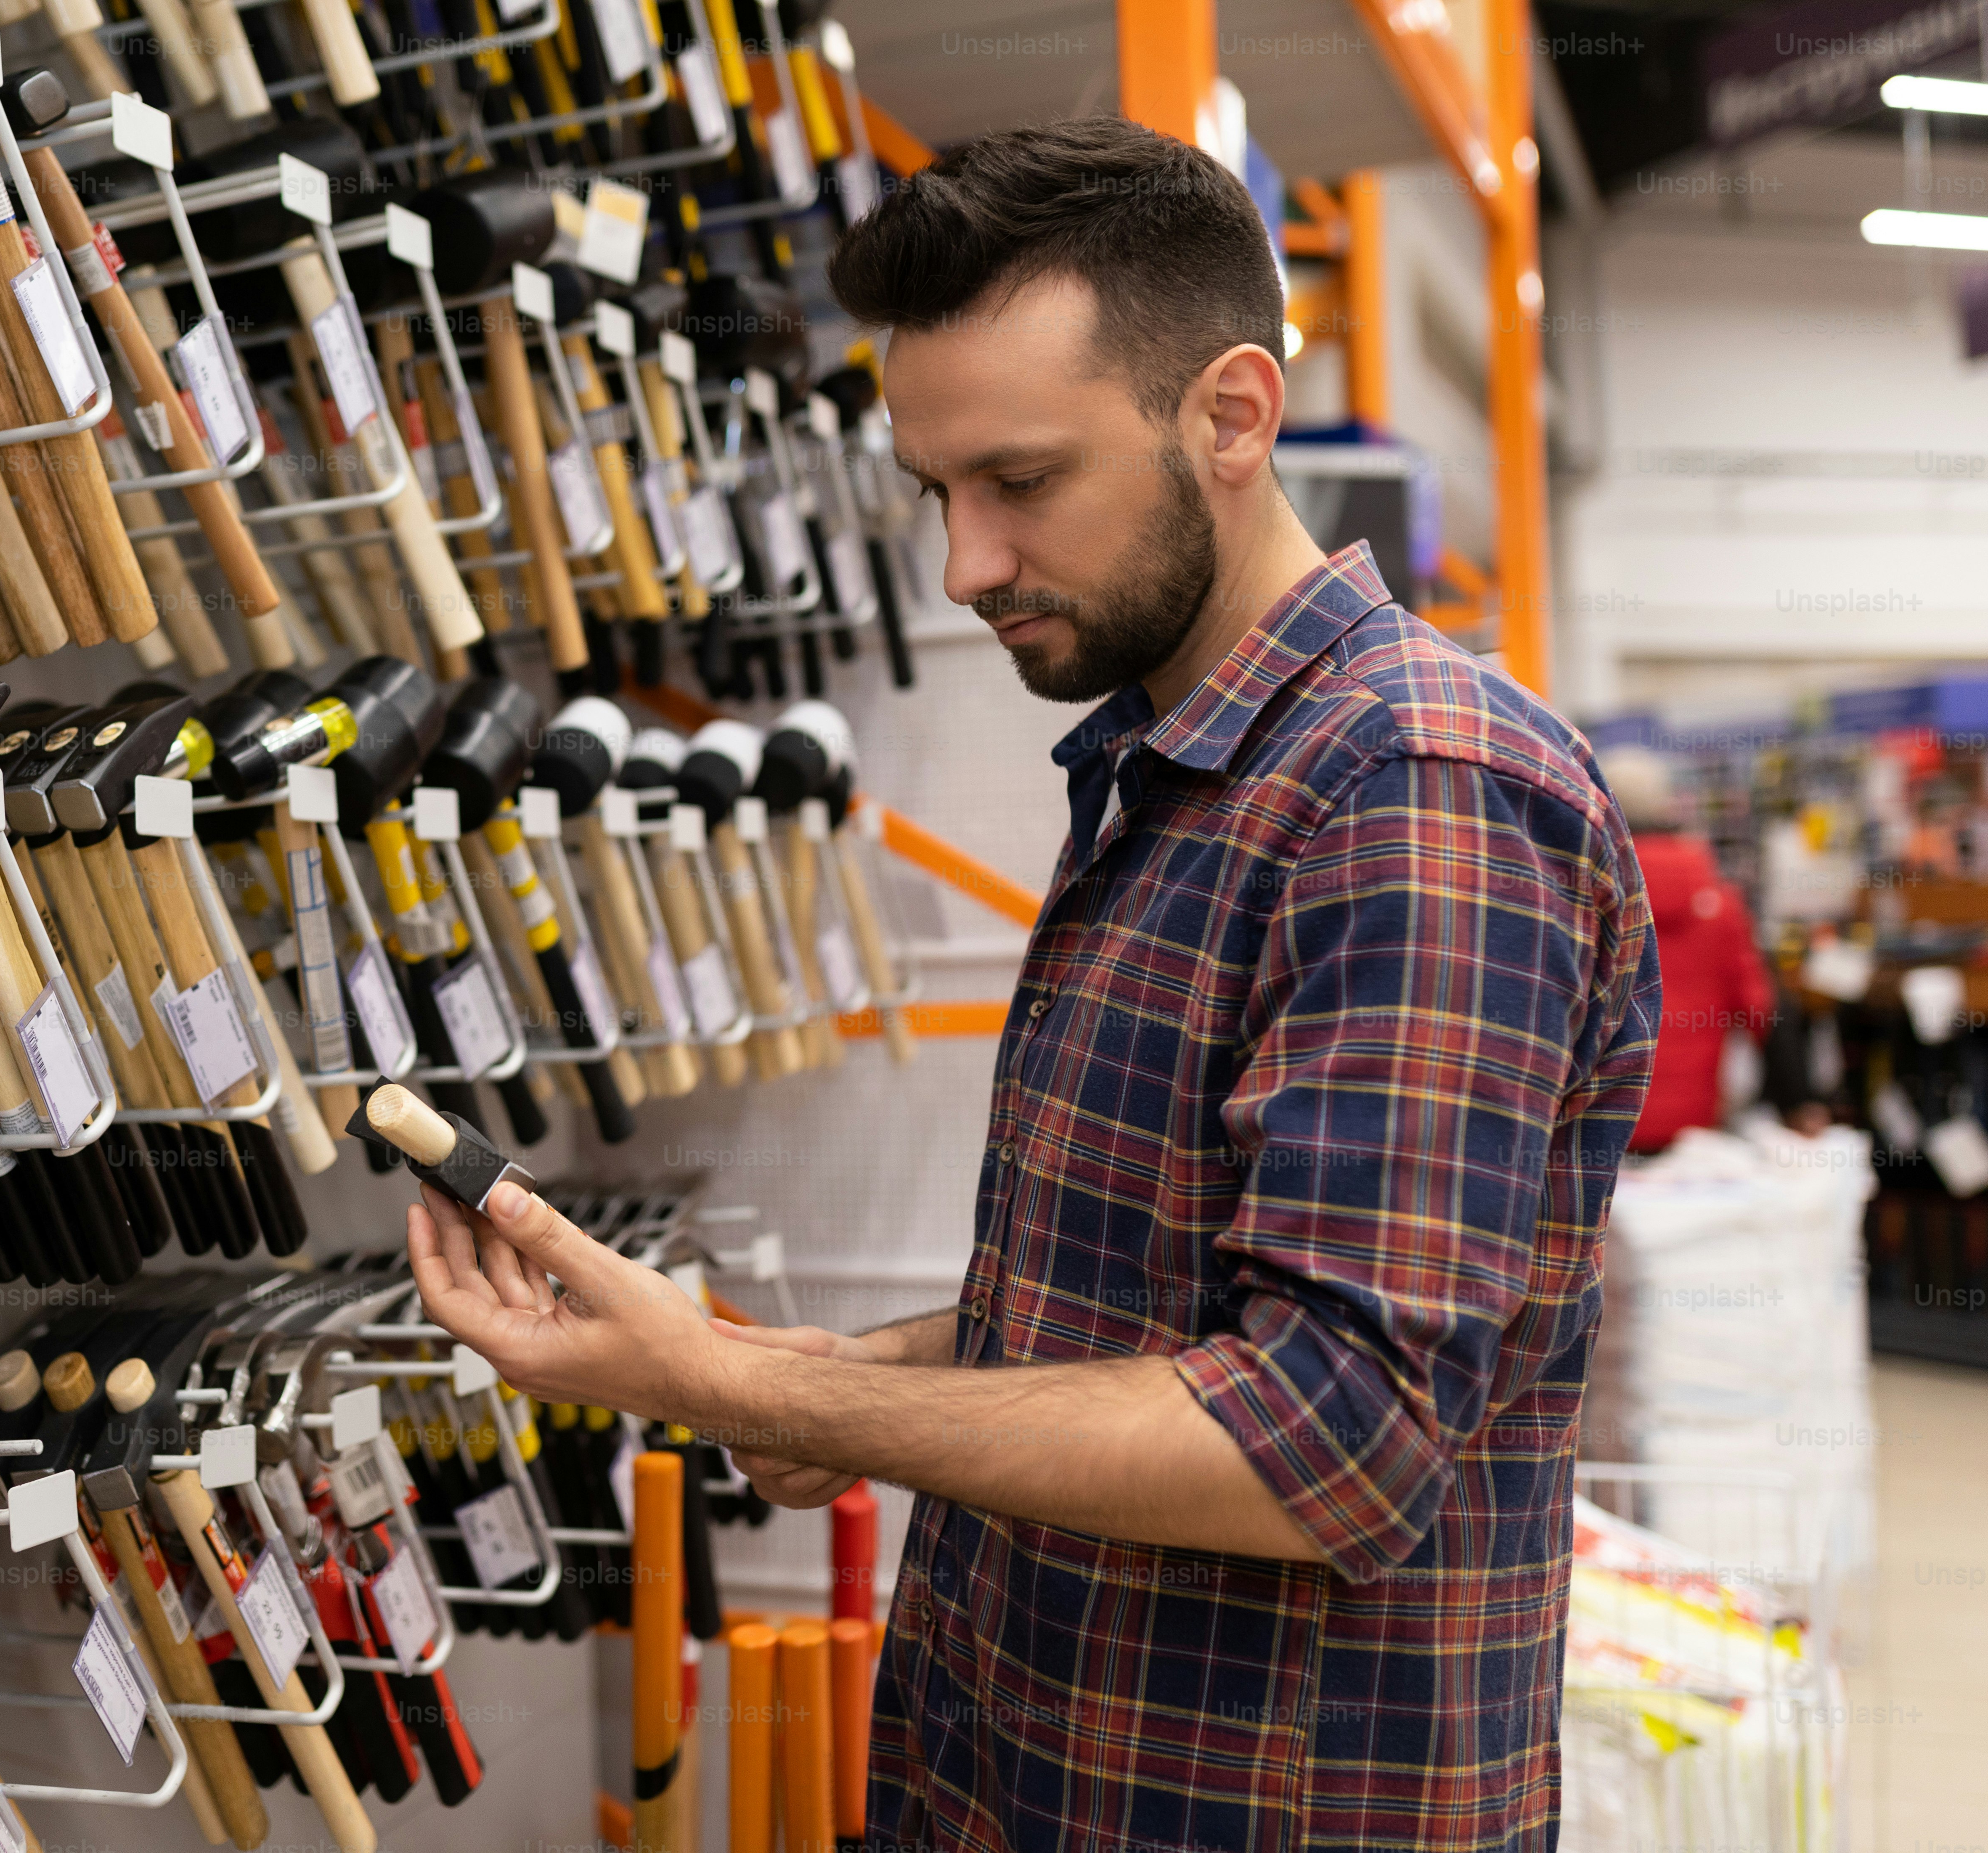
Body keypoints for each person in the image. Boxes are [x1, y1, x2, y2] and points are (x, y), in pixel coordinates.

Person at [407, 119, 1661, 1853]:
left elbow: (1325, 1437)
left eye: (1018, 482)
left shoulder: (1412, 791)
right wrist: (850, 1372)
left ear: (1228, 415)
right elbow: (1160, 1304)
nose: (962, 567)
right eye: (936, 495)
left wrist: (744, 1390)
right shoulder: (1177, 767)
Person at [1597, 745, 1778, 1150]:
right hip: (1696, 1121)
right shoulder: (1720, 900)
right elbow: (1757, 1008)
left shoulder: (1586, 899)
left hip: (1602, 1120)